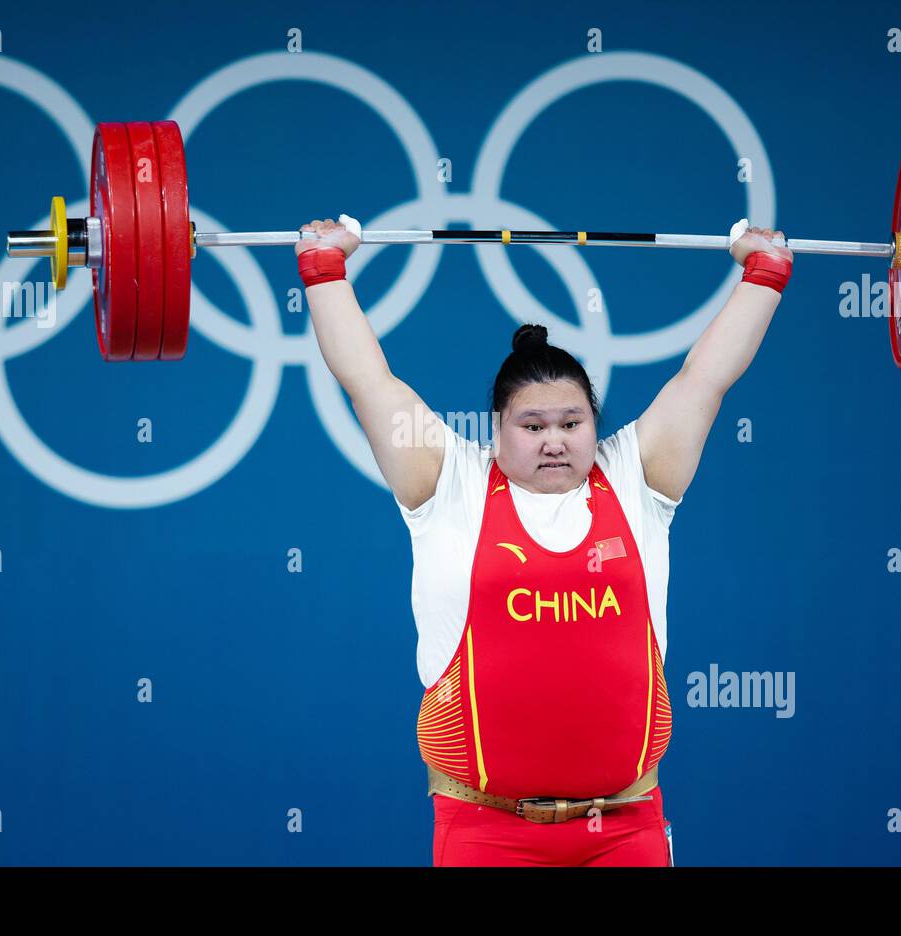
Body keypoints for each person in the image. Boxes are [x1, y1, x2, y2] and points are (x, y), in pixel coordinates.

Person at [296, 215, 792, 866]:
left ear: (595, 424)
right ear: (496, 430)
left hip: (624, 827)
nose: (554, 439)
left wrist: (764, 274)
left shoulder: (637, 476)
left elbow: (705, 378)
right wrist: (325, 271)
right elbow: (369, 382)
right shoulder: (450, 481)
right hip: (485, 831)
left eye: (571, 421)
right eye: (532, 425)